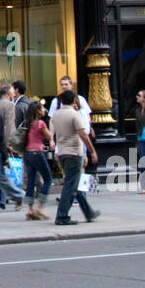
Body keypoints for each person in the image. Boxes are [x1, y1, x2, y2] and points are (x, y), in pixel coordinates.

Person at [52, 90, 100, 224]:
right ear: (74, 100)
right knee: (70, 185)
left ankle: (89, 212)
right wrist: (92, 151)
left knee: (74, 182)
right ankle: (61, 216)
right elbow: (83, 134)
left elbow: (56, 133)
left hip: (62, 151)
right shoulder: (75, 115)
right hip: (74, 152)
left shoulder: (56, 114)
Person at [19, 100, 53, 220]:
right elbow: (49, 136)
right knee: (48, 179)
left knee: (31, 182)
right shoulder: (40, 124)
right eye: (42, 108)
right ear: (38, 111)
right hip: (36, 153)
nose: (44, 110)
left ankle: (30, 210)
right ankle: (40, 207)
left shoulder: (26, 123)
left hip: (27, 154)